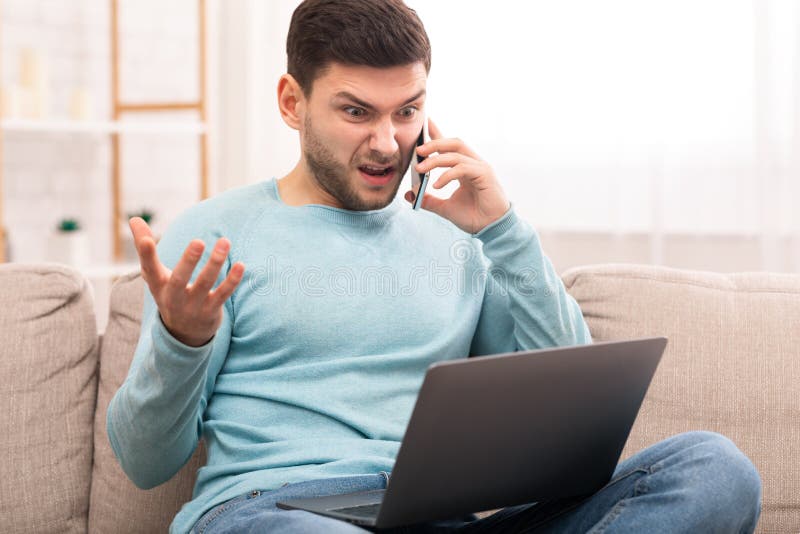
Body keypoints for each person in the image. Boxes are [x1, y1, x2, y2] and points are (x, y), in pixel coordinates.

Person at [108, 1, 762, 532]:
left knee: (713, 470)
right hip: (275, 514)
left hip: (439, 519)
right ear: (291, 102)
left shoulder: (459, 242)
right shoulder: (214, 237)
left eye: (408, 111)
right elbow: (145, 462)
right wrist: (182, 340)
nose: (388, 142)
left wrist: (504, 230)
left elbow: (572, 428)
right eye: (356, 111)